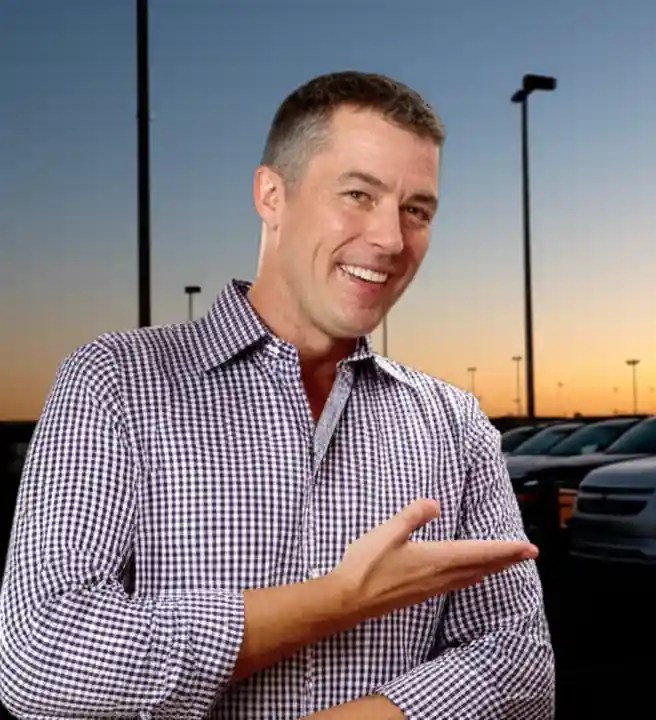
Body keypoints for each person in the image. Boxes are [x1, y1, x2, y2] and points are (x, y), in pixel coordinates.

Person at [0, 71, 555, 719]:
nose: (391, 239)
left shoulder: (453, 423)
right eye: (357, 194)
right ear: (271, 195)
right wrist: (339, 599)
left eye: (417, 211)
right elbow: (41, 658)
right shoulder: (117, 382)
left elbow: (520, 667)